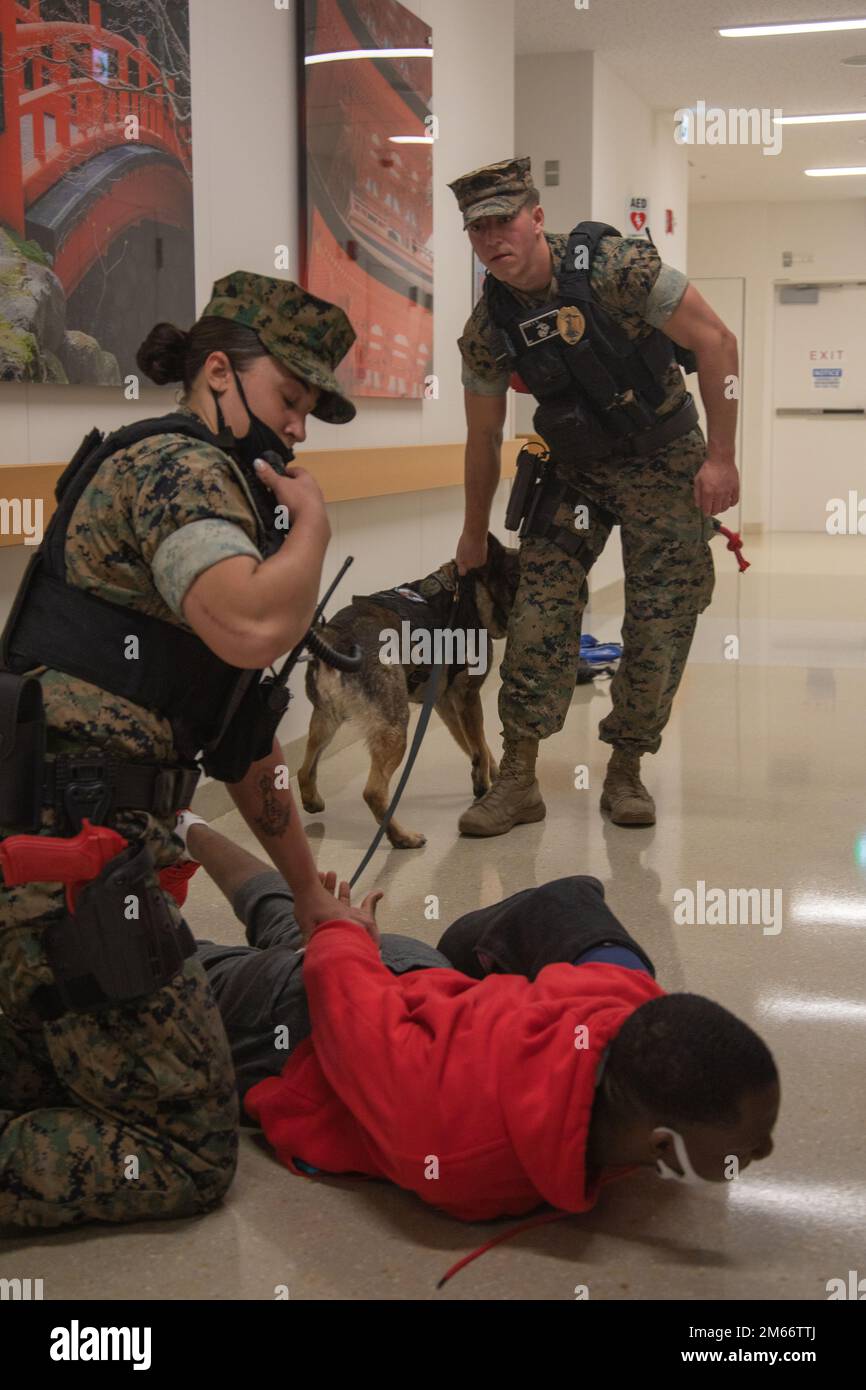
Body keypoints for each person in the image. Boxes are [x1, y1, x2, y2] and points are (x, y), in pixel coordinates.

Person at [0, 272, 376, 1230]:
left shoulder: (212, 491)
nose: (297, 429)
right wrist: (317, 531)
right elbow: (250, 623)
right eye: (289, 398)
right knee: (188, 1147)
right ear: (219, 371)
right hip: (68, 873)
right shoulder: (181, 467)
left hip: (59, 854)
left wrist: (304, 896)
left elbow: (244, 747)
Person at [178, 817, 779, 1223]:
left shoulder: (624, 1009)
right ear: (661, 1147)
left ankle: (184, 827)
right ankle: (151, 853)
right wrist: (340, 936)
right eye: (750, 1147)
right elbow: (352, 1021)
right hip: (303, 1027)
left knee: (290, 913)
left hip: (414, 973)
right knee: (157, 977)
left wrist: (348, 932)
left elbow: (574, 905)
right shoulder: (457, 1146)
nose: (768, 1150)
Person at [448, 157, 741, 834]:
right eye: (478, 229)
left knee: (661, 619)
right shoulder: (489, 329)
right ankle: (517, 778)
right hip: (577, 474)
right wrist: (472, 531)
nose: (494, 239)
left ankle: (628, 766)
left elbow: (716, 341)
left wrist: (721, 458)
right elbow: (482, 436)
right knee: (537, 610)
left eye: (504, 221)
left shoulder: (616, 268)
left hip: (664, 460)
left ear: (536, 219)